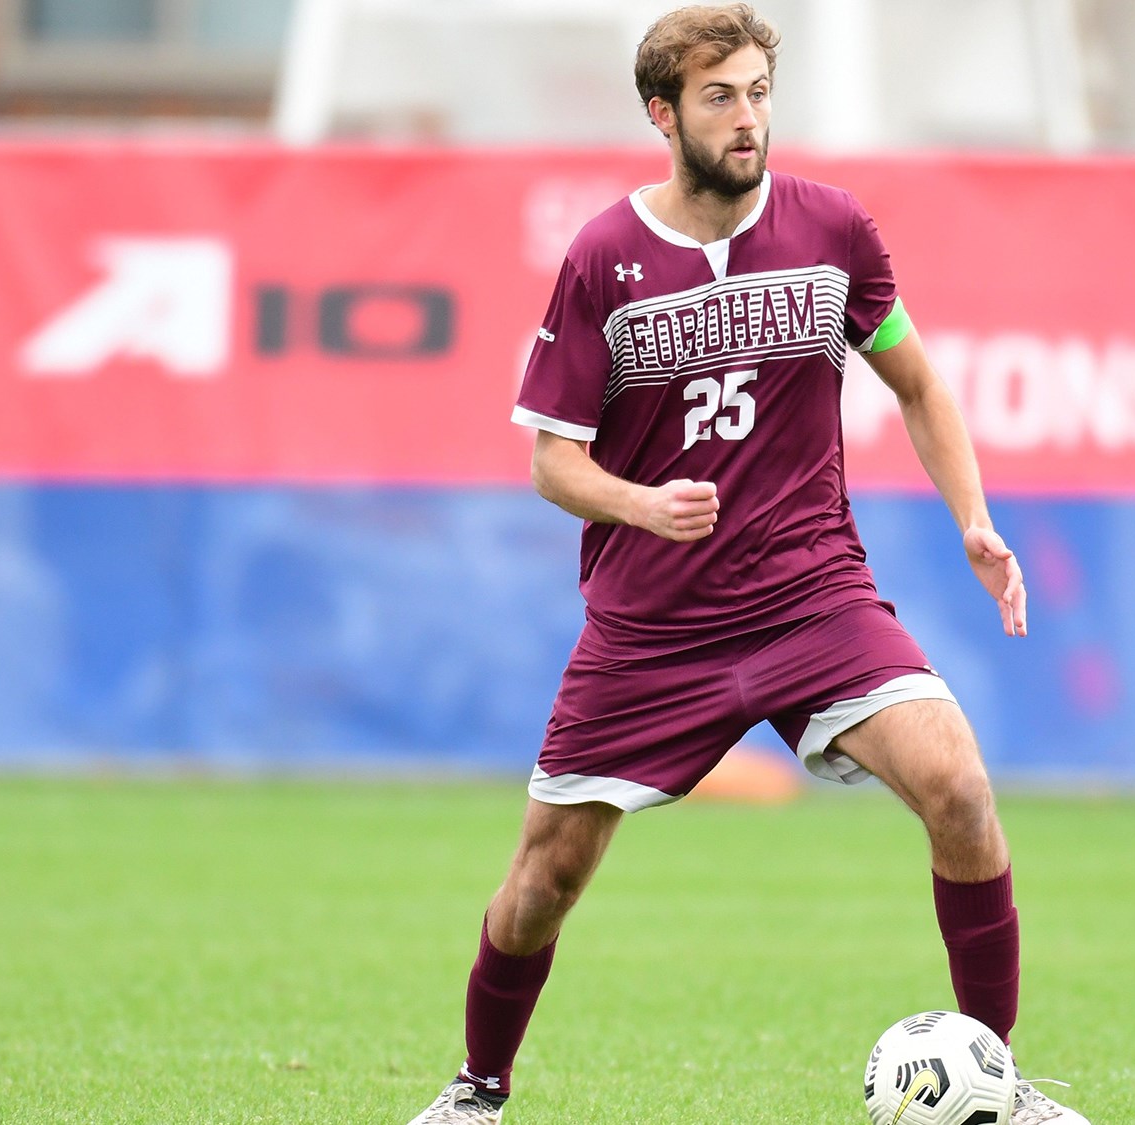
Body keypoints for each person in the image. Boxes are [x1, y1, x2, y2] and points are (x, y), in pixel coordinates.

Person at [405, 5, 1087, 1123]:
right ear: (661, 112)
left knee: (959, 789)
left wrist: (973, 517)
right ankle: (478, 1090)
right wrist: (641, 504)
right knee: (543, 884)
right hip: (652, 628)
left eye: (760, 91)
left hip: (809, 597)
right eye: (720, 96)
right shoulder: (602, 258)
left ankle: (998, 1090)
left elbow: (917, 383)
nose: (747, 116)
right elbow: (550, 463)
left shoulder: (832, 230)